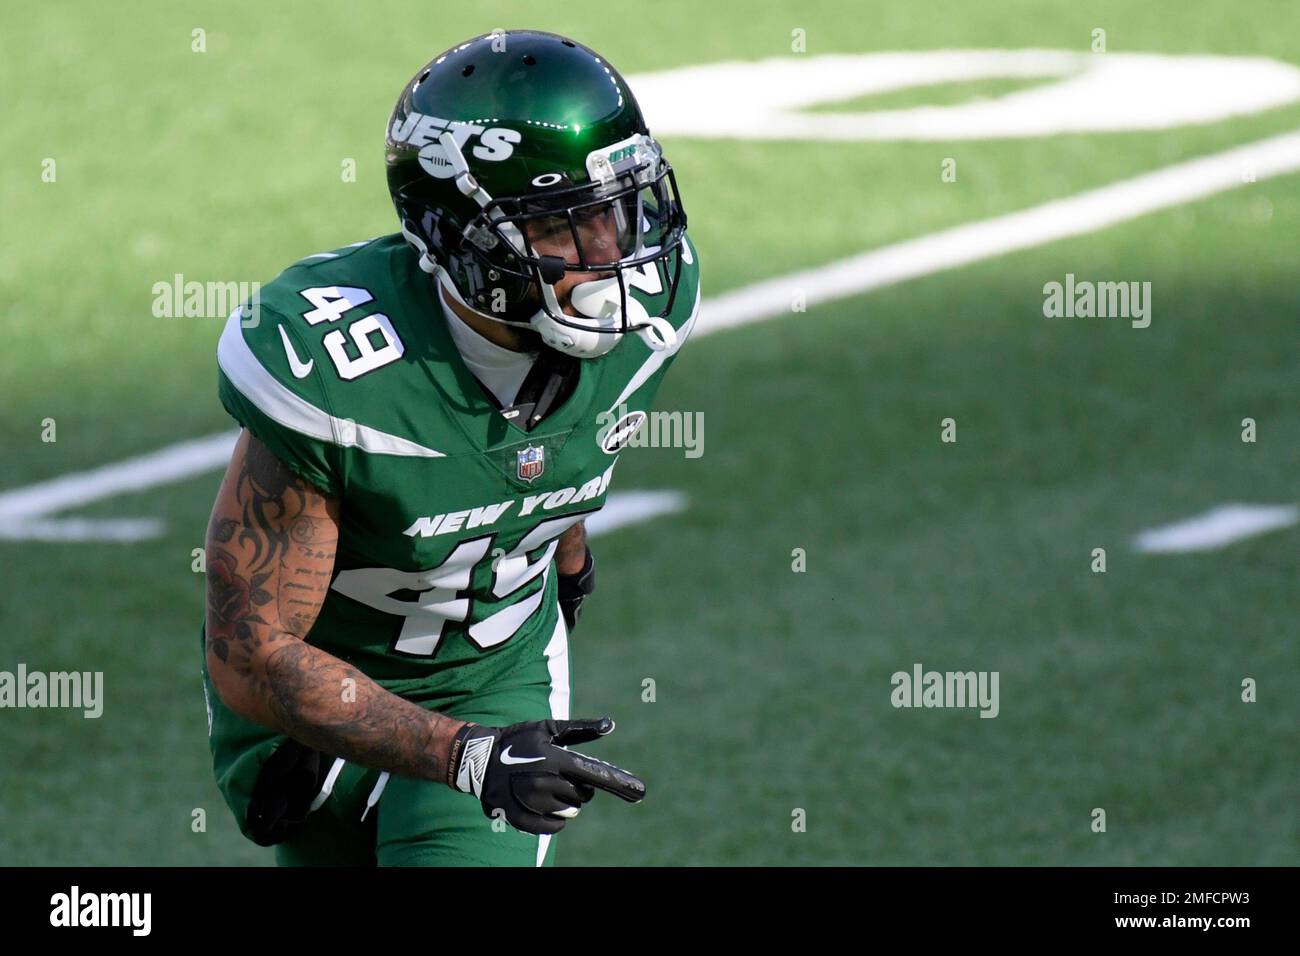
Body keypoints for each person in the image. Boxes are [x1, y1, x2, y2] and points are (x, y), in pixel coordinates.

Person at [199, 29, 700, 866]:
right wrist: (462, 753)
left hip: (491, 675)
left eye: (615, 213)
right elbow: (253, 651)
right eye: (560, 229)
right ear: (458, 236)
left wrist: (563, 548)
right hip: (321, 699)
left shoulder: (655, 305)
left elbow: (557, 451)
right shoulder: (336, 366)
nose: (610, 256)